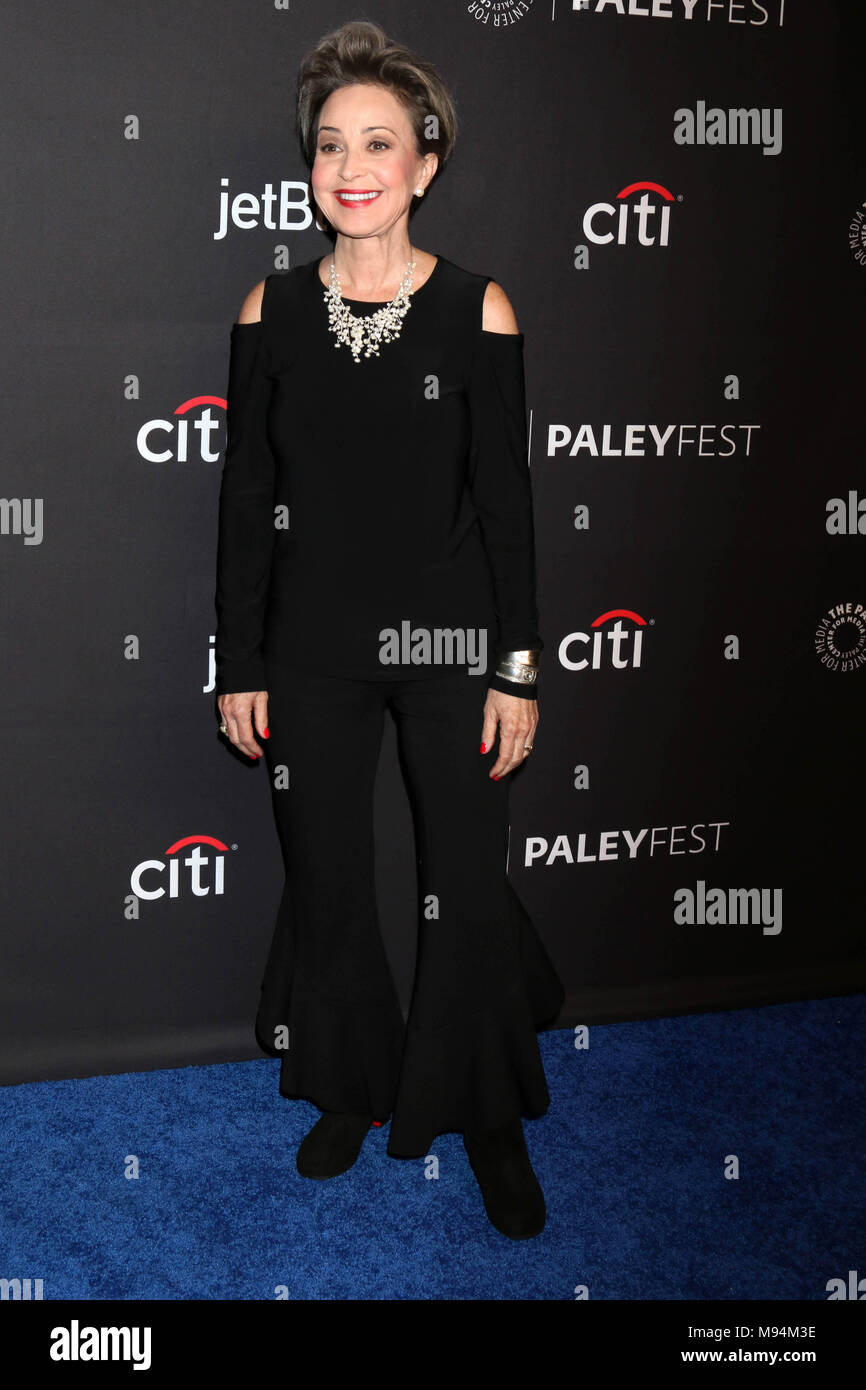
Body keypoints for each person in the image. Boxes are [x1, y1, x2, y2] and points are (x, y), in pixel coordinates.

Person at [214, 19, 564, 1241]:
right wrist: (239, 660)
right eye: (329, 144)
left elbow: (508, 509)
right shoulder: (268, 309)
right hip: (309, 649)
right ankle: (346, 1082)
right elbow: (245, 501)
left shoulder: (478, 309)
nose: (350, 166)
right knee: (329, 877)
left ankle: (485, 1111)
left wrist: (517, 669)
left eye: (378, 142)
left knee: (462, 882)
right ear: (309, 166)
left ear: (425, 163)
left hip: (451, 651)